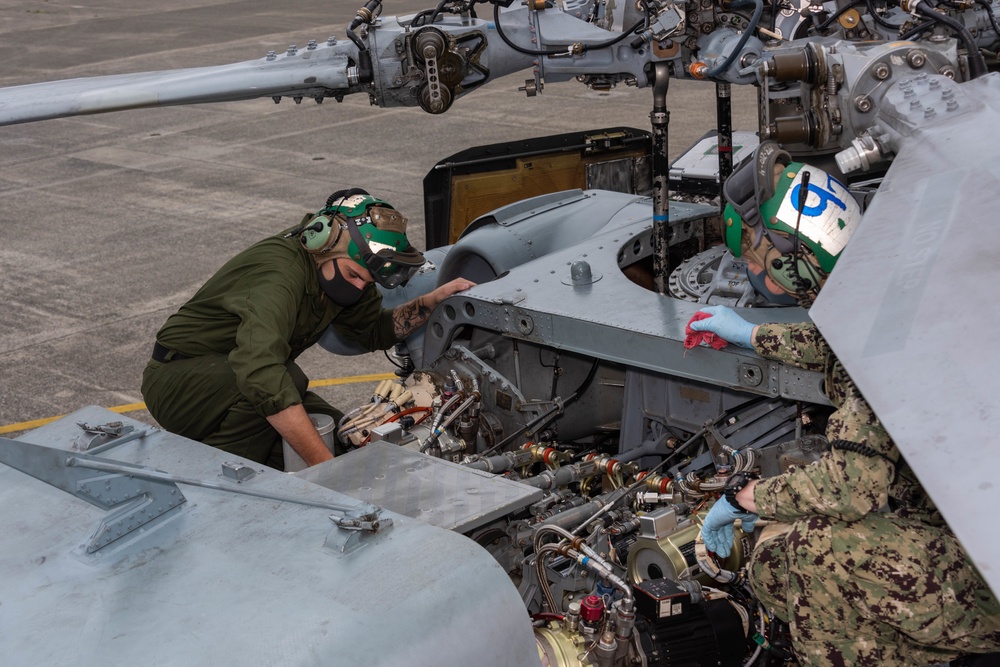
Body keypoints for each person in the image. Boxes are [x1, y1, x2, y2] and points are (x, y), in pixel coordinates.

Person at [691, 142, 1000, 666]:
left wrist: (743, 499)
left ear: (793, 263)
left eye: (755, 254)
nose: (750, 266)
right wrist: (753, 336)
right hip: (963, 525)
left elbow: (848, 490)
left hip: (983, 570)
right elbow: (842, 339)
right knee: (772, 570)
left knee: (815, 555)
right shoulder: (890, 285)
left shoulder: (885, 343)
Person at [141, 188, 474, 470]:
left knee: (347, 437)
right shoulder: (280, 275)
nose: (359, 288)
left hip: (231, 381)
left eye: (367, 281)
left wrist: (432, 301)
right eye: (355, 276)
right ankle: (219, 481)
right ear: (323, 242)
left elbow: (372, 330)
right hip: (178, 383)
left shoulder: (334, 266)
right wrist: (326, 473)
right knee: (290, 389)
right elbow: (260, 373)